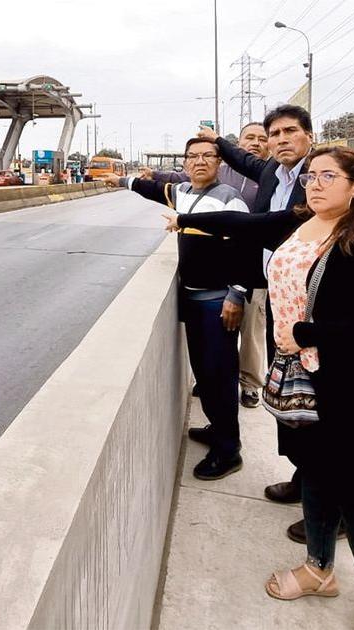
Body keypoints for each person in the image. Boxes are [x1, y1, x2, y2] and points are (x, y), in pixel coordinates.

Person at [165, 146, 354, 630]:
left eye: (328, 177)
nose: (315, 184)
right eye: (311, 177)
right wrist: (189, 221)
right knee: (315, 475)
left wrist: (305, 335)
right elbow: (247, 227)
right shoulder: (301, 223)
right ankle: (319, 570)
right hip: (302, 378)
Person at [199, 104, 330, 541]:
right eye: (273, 133)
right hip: (279, 297)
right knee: (291, 396)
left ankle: (335, 507)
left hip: (314, 303)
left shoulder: (320, 177)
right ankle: (305, 477)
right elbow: (244, 159)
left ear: (310, 135)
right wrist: (214, 140)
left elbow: (265, 226)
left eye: (290, 131)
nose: (279, 139)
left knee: (322, 401)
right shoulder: (274, 172)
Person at [100, 138, 251, 480]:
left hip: (218, 302)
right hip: (193, 300)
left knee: (220, 375)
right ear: (185, 162)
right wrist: (119, 181)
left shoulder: (231, 199)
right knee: (205, 374)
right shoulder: (182, 191)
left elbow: (246, 248)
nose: (200, 162)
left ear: (219, 162)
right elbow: (150, 187)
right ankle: (217, 428)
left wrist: (237, 294)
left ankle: (229, 450)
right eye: (193, 156)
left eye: (208, 156)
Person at [143, 122, 271, 408]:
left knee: (249, 335)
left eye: (263, 138)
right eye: (249, 138)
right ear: (235, 145)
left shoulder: (270, 174)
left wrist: (237, 291)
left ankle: (248, 385)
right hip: (211, 284)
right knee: (212, 358)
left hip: (250, 272)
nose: (255, 143)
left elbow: (245, 240)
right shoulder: (222, 170)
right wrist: (141, 178)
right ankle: (216, 402)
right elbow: (179, 178)